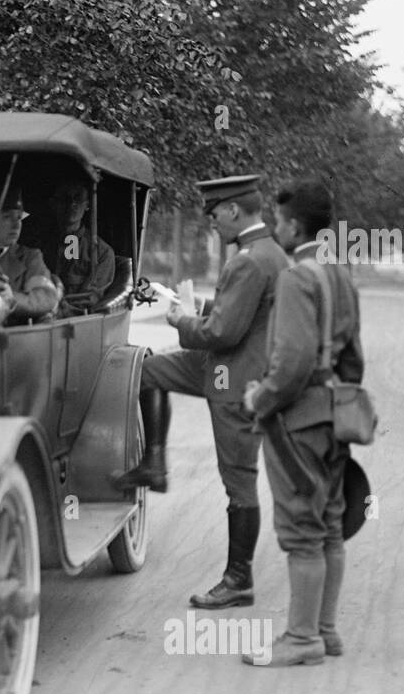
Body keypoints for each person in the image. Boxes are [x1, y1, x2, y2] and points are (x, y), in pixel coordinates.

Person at [114, 174, 290, 610]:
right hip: (226, 367)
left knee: (239, 483)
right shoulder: (266, 253)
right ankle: (154, 462)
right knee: (145, 371)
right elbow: (241, 315)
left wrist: (182, 323)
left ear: (233, 210)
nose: (211, 222)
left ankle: (238, 580)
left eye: (214, 214)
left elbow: (224, 332)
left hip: (234, 378)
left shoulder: (249, 260)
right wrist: (195, 308)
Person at [241, 177, 363, 666]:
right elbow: (353, 358)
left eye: (278, 219)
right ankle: (325, 631)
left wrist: (260, 398)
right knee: (330, 524)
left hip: (297, 421)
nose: (273, 226)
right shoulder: (338, 273)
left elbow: (290, 362)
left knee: (300, 530)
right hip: (334, 412)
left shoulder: (296, 278)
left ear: (294, 225)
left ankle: (301, 639)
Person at [21, 173, 115, 315]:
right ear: (53, 203)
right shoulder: (34, 244)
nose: (72, 204)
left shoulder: (101, 252)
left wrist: (57, 310)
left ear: (87, 204)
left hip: (74, 323)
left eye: (78, 198)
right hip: (32, 314)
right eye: (65, 198)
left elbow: (90, 297)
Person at [0, 185, 61, 319]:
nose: (16, 224)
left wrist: (11, 299)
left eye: (19, 217)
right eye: (7, 217)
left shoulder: (30, 257)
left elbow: (45, 297)